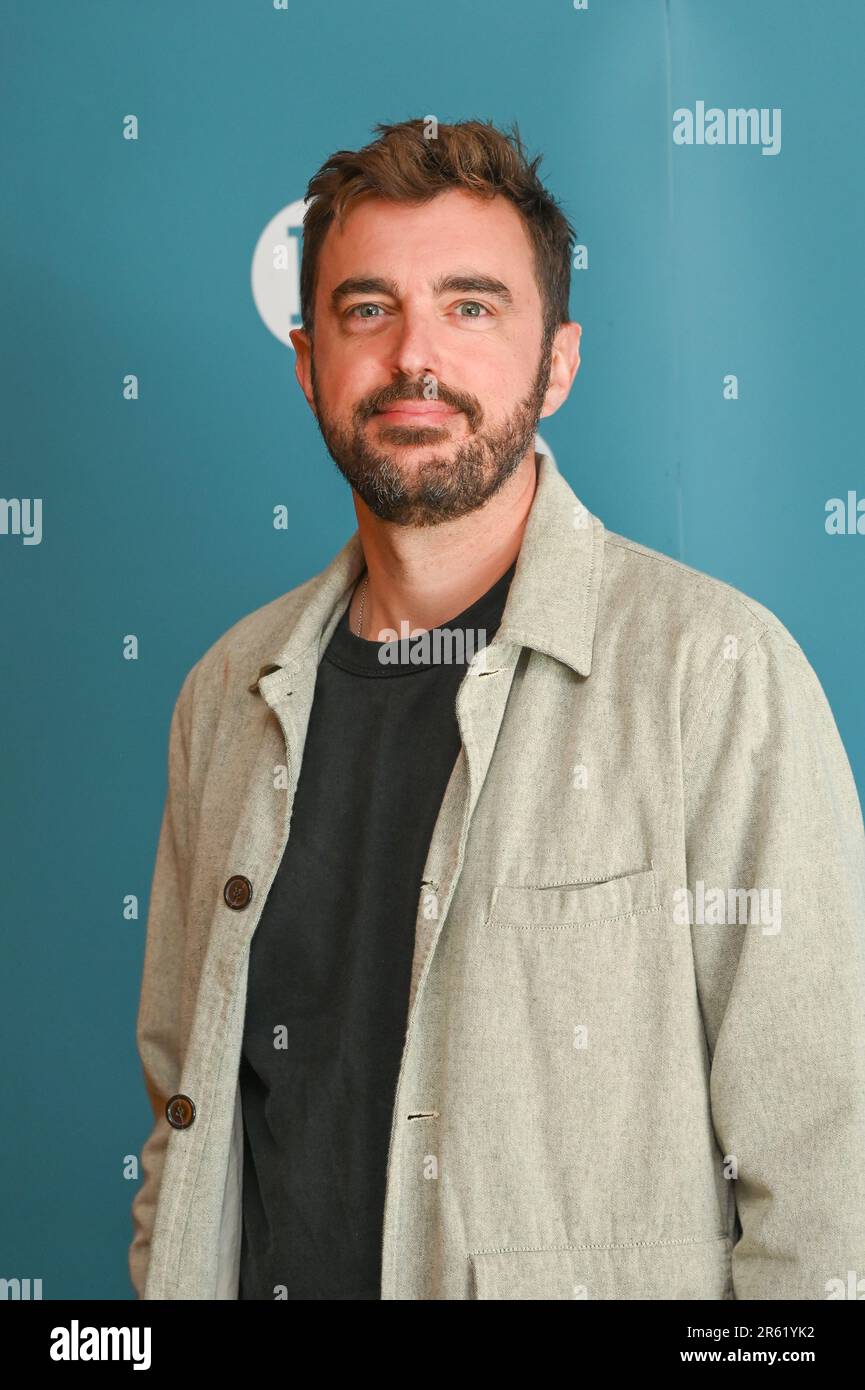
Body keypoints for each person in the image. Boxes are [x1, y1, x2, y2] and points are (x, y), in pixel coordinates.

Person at [129, 117, 865, 1301]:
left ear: (556, 361)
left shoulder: (715, 674)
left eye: (471, 307)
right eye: (367, 309)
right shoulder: (227, 694)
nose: (415, 355)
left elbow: (832, 1173)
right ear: (309, 357)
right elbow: (190, 1110)